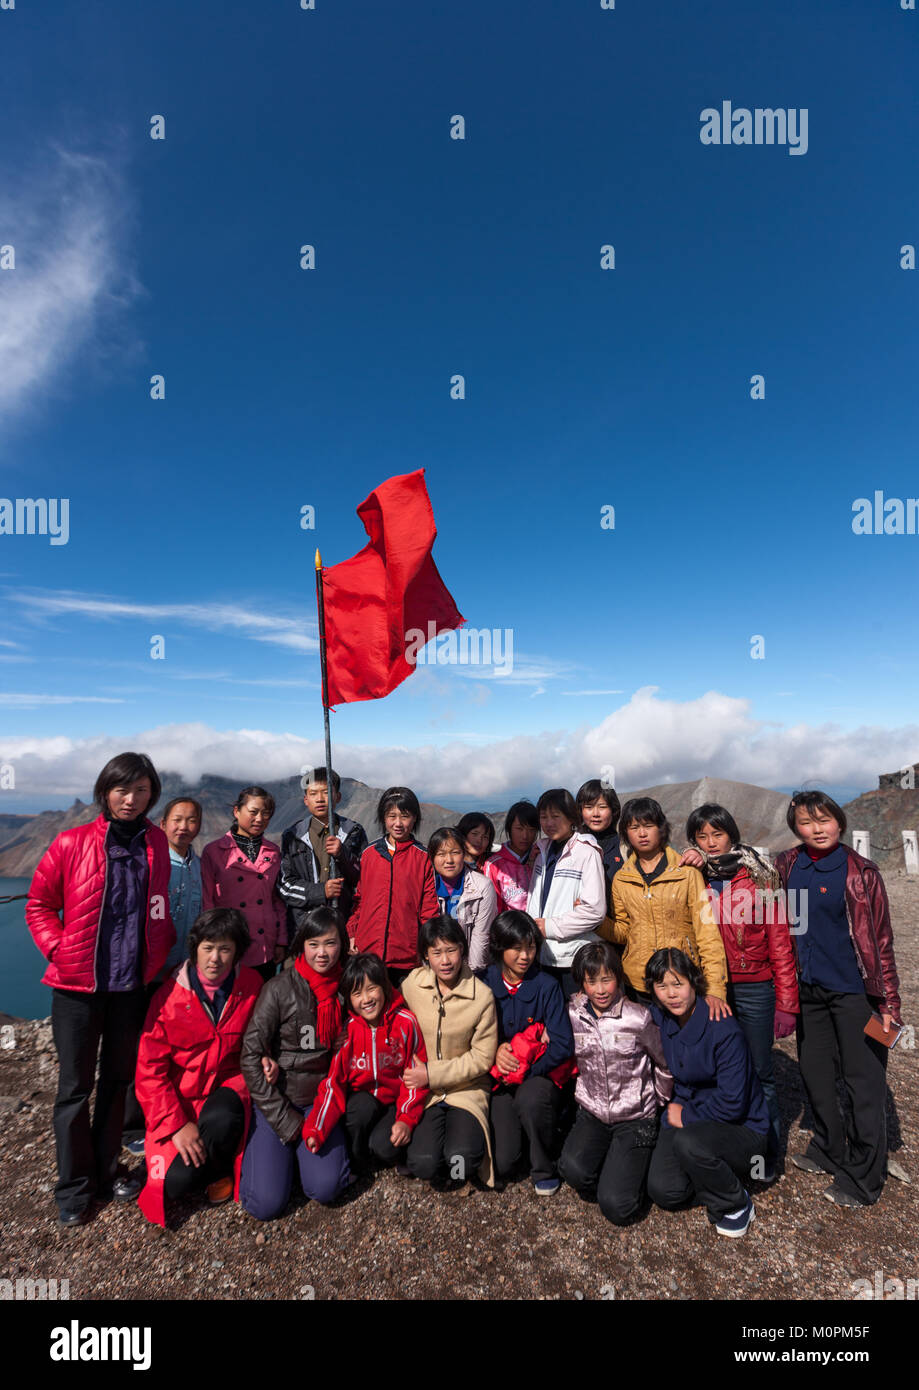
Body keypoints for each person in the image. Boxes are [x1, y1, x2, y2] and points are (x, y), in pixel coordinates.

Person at [25, 752, 175, 1226]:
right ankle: (73, 1185)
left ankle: (108, 1169)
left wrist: (158, 948)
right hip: (77, 988)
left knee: (117, 1083)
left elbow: (156, 905)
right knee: (73, 1089)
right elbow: (38, 904)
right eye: (121, 790)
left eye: (141, 791)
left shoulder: (155, 842)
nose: (131, 800)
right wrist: (58, 948)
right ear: (104, 792)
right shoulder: (71, 843)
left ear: (152, 794)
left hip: (130, 987)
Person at [773, 790, 903, 1208]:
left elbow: (880, 942)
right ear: (796, 828)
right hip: (809, 992)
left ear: (840, 821)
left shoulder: (860, 872)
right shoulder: (788, 864)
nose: (817, 828)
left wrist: (889, 1005)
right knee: (816, 1074)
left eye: (824, 819)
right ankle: (830, 1148)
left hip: (854, 995)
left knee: (863, 1084)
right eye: (807, 823)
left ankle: (865, 1178)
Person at [686, 803, 798, 1173]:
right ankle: (726, 1149)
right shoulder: (692, 876)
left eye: (717, 834)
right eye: (702, 836)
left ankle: (767, 1152)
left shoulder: (760, 877)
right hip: (708, 988)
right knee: (718, 1071)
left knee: (760, 1072)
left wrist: (786, 1001)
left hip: (754, 987)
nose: (711, 842)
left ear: (731, 833)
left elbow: (780, 939)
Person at [135, 908, 262, 1226]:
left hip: (225, 1091)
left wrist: (266, 1060)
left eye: (225, 948)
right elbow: (149, 1069)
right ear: (195, 949)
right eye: (208, 947)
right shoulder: (168, 998)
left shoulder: (251, 985)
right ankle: (204, 1160)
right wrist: (176, 1125)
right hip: (180, 1102)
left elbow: (259, 1040)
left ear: (237, 953)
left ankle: (217, 1169)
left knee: (223, 1116)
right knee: (173, 1184)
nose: (215, 958)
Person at [646, 948, 769, 1237]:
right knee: (664, 1191)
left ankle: (735, 1201)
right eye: (661, 986)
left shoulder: (723, 1029)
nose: (671, 994)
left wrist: (686, 1116)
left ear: (694, 982)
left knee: (690, 1142)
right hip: (689, 1115)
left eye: (678, 984)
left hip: (740, 1127)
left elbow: (733, 1103)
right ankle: (712, 1174)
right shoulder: (664, 1017)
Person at [239, 906, 351, 1219]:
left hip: (322, 1102)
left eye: (330, 943)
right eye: (313, 944)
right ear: (301, 945)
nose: (322, 953)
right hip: (280, 1099)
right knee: (265, 1204)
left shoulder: (348, 986)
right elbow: (250, 1056)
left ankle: (303, 1163)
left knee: (326, 1188)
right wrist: (286, 1121)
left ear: (342, 944)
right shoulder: (278, 988)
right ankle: (280, 1158)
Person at [559, 941, 672, 1224]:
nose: (599, 990)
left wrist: (656, 1101)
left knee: (617, 1207)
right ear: (582, 983)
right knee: (573, 1171)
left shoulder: (638, 1017)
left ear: (618, 978)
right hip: (593, 1112)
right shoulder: (574, 1012)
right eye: (591, 981)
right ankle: (616, 1163)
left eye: (606, 980)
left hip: (635, 1116)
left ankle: (635, 1165)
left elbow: (664, 1064)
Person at [123, 794, 205, 1154]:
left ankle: (170, 1115)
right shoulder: (152, 862)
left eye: (191, 821)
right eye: (177, 820)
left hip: (184, 973)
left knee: (173, 1047)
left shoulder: (198, 865)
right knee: (140, 1047)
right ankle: (132, 1125)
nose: (183, 827)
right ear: (162, 823)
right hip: (152, 970)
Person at [302, 953, 428, 1173]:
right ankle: (357, 1164)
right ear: (349, 999)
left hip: (394, 1102)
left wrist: (406, 1119)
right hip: (362, 1102)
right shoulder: (348, 1031)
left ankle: (383, 1149)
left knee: (385, 1148)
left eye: (372, 989)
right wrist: (316, 1129)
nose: (366, 999)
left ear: (384, 986)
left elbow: (416, 1076)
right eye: (357, 993)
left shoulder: (406, 1023)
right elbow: (333, 1085)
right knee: (360, 1109)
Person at [604, 797, 729, 1013]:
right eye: (634, 827)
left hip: (681, 980)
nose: (642, 834)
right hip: (638, 983)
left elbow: (707, 932)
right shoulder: (621, 879)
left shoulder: (687, 873)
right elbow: (624, 931)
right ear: (626, 833)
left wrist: (715, 988)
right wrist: (596, 921)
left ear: (661, 828)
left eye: (648, 826)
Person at [401, 915, 498, 1188]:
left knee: (461, 1162)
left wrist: (431, 1073)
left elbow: (482, 1057)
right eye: (437, 952)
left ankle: (459, 1155)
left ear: (462, 950)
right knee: (423, 1163)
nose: (445, 960)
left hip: (466, 1089)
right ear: (426, 956)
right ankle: (435, 1155)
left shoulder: (482, 996)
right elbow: (394, 1023)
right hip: (426, 1093)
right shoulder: (412, 985)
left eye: (452, 950)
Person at [482, 910, 574, 1195]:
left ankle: (544, 1166)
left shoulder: (546, 985)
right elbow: (469, 1035)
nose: (525, 956)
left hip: (536, 1073)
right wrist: (494, 1050)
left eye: (531, 947)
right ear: (499, 948)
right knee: (504, 1162)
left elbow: (563, 1044)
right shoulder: (483, 982)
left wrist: (528, 1071)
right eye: (516, 948)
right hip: (498, 1077)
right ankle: (522, 1141)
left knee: (533, 1100)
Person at [347, 787, 438, 987]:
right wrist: (352, 932)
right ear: (383, 818)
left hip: (406, 955)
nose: (398, 823)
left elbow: (429, 910)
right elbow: (360, 899)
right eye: (391, 816)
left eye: (404, 816)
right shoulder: (370, 854)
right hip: (368, 949)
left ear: (415, 818)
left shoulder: (422, 858)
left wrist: (431, 948)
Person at [525, 788, 606, 997]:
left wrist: (550, 927)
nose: (549, 823)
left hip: (573, 958)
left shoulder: (586, 853)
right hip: (541, 954)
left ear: (571, 817)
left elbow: (594, 911)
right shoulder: (542, 852)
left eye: (555, 816)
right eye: (544, 817)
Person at [200, 786, 286, 981]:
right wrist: (213, 940)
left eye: (266, 813)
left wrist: (281, 940)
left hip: (266, 942)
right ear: (237, 811)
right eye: (253, 812)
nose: (260, 819)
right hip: (229, 939)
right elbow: (207, 901)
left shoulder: (273, 851)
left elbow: (277, 900)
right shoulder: (213, 852)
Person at [278, 767, 368, 934]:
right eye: (313, 794)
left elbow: (365, 879)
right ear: (306, 799)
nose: (319, 799)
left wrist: (343, 855)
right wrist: (321, 891)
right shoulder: (293, 836)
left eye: (326, 792)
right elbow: (285, 886)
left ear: (338, 797)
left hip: (344, 926)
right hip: (304, 928)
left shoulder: (354, 832)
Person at [428, 826, 497, 973]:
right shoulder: (426, 887)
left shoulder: (482, 886)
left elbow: (482, 935)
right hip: (434, 969)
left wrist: (470, 974)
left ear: (464, 853)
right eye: (441, 854)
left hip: (469, 970)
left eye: (455, 852)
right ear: (432, 857)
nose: (449, 860)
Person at [484, 800, 539, 914]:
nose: (525, 836)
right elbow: (494, 908)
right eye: (519, 829)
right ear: (509, 828)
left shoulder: (541, 858)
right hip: (510, 928)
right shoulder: (494, 865)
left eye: (531, 830)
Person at [576, 778, 625, 901]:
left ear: (613, 810)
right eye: (589, 807)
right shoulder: (571, 846)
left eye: (602, 807)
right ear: (580, 811)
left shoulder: (626, 846)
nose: (595, 813)